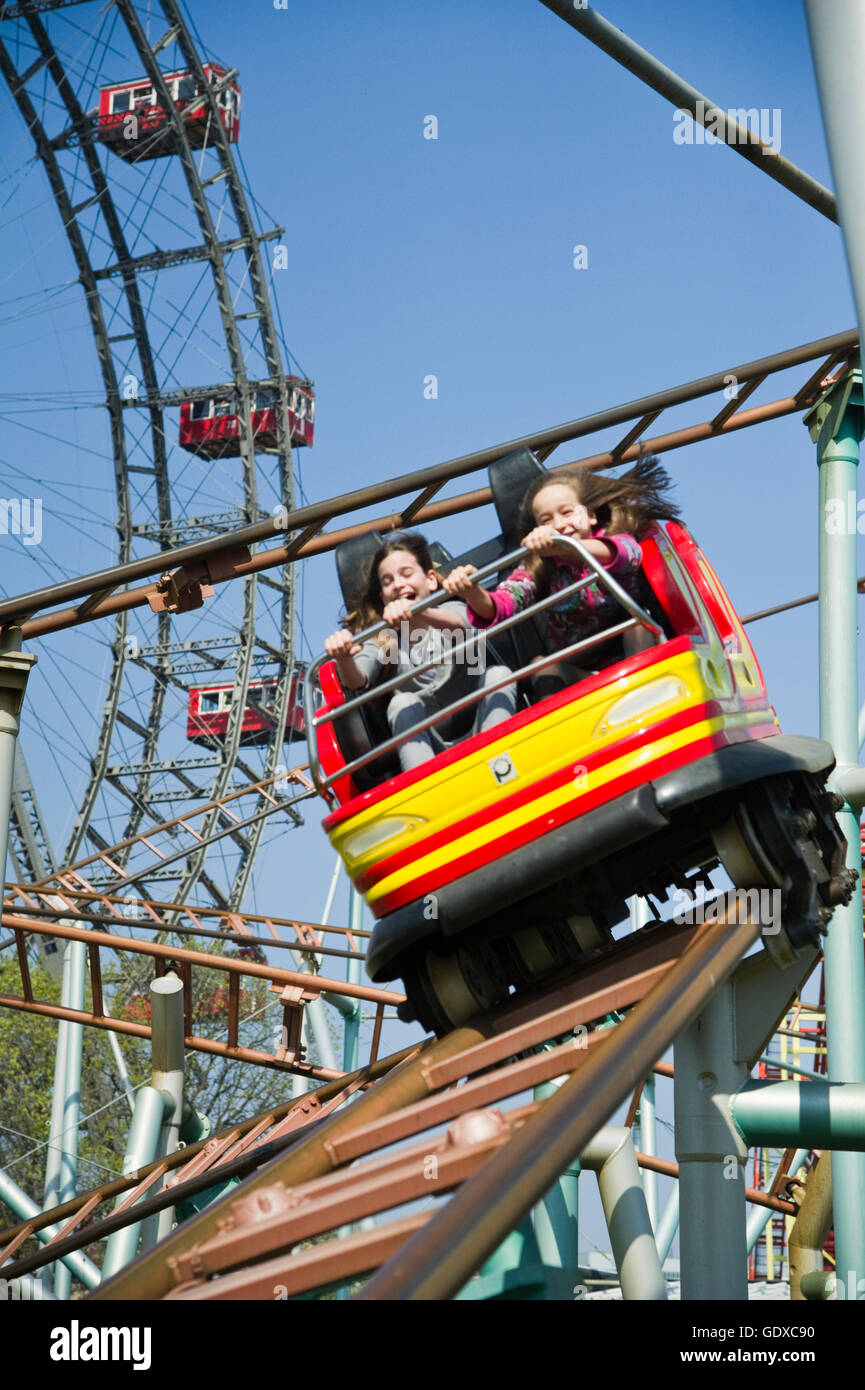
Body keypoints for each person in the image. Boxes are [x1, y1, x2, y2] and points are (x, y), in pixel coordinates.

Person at [443, 455, 680, 695]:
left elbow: (628, 555)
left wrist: (568, 547)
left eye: (567, 513)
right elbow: (501, 606)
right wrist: (471, 591)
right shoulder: (538, 568)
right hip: (587, 671)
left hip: (640, 650)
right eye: (547, 520)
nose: (559, 524)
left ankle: (645, 699)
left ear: (590, 516)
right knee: (541, 666)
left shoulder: (614, 540)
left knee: (635, 626)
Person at [324, 532, 516, 772]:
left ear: (431, 581)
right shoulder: (384, 639)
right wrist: (343, 658)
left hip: (481, 726)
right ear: (384, 598)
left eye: (406, 574)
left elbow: (461, 625)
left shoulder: (450, 609)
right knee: (401, 702)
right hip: (431, 748)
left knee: (498, 674)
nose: (397, 584)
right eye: (387, 581)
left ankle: (500, 763)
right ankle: (426, 783)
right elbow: (357, 679)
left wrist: (419, 611)